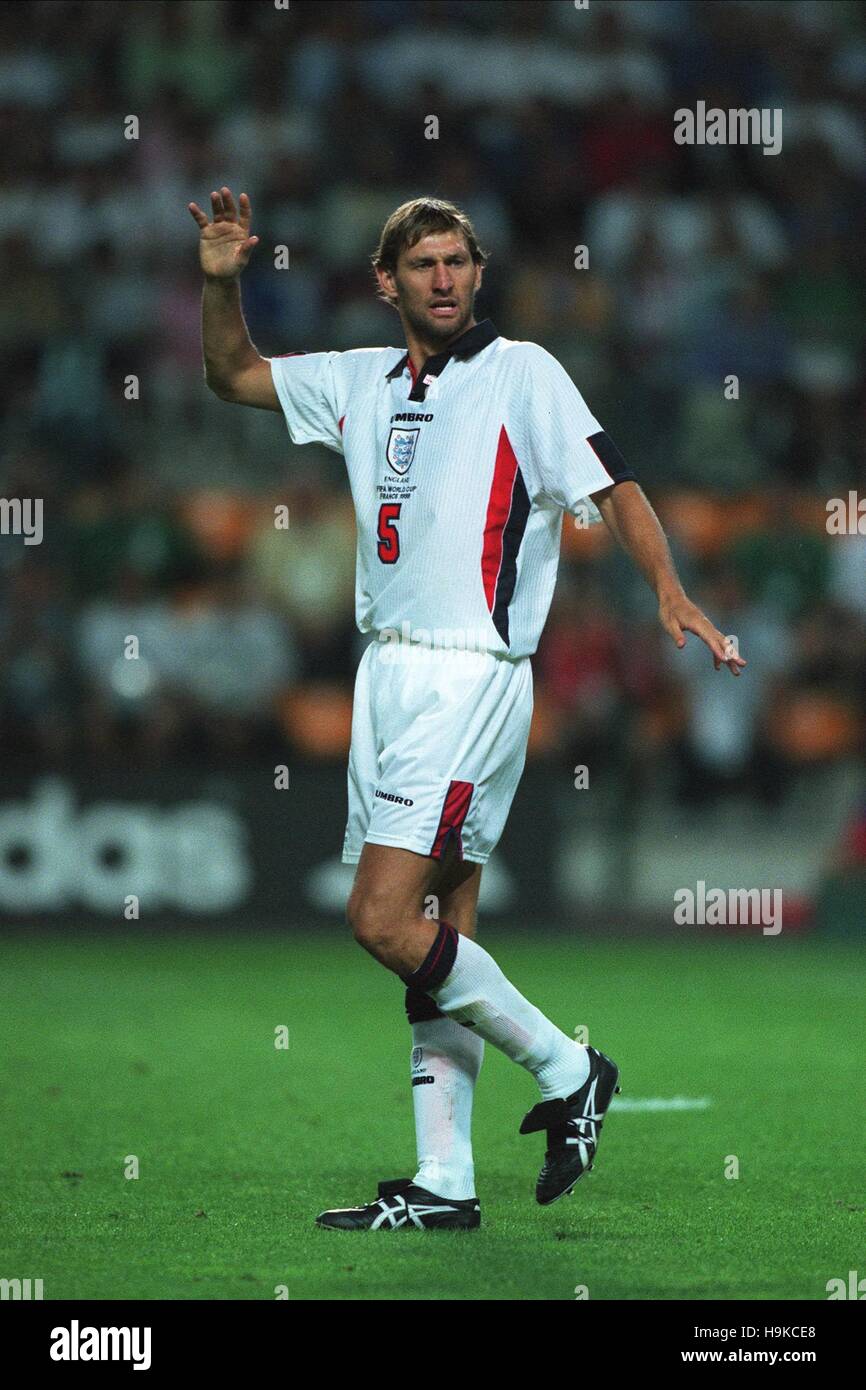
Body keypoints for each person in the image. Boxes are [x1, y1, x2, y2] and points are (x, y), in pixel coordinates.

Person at [189, 188, 746, 1231]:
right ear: (385, 282)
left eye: (457, 262)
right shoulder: (357, 379)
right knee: (440, 928)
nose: (442, 279)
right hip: (387, 673)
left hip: (469, 673)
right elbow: (231, 374)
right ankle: (444, 1182)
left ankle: (568, 1064)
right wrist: (222, 283)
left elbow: (615, 487)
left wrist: (667, 588)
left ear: (477, 273)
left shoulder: (522, 373)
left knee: (380, 916)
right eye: (422, 265)